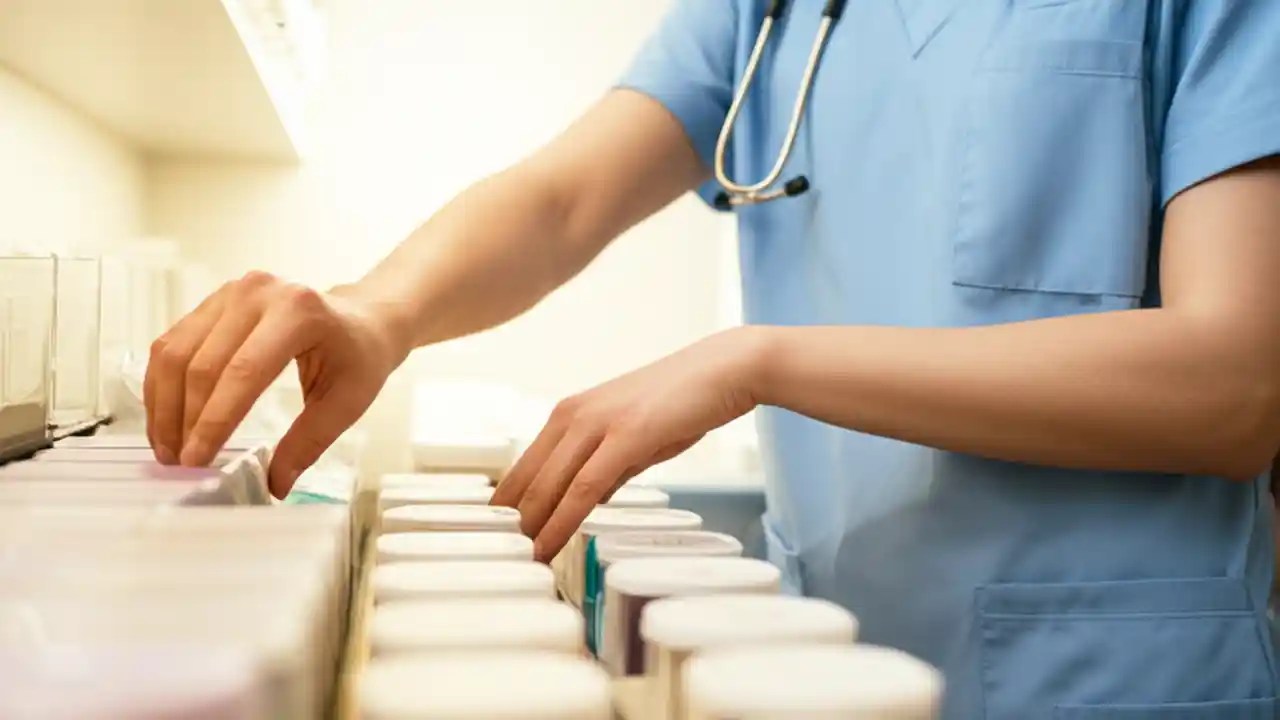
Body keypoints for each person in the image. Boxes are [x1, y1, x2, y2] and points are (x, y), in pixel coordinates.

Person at [145, 2, 1280, 716]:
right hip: (798, 663)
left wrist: (757, 359)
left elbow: (1235, 383)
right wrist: (375, 312)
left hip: (1109, 677)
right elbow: (558, 199)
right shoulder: (772, 12)